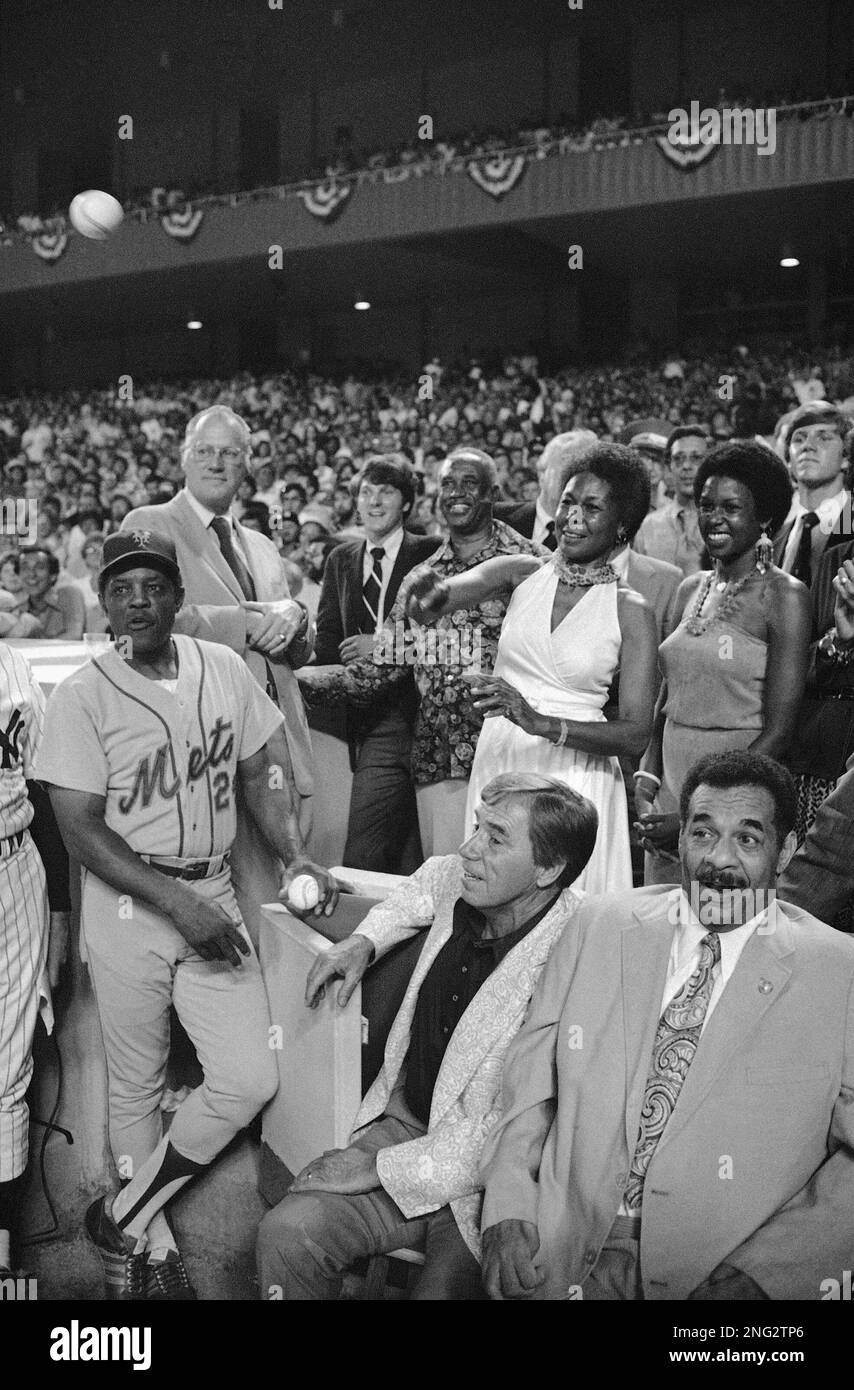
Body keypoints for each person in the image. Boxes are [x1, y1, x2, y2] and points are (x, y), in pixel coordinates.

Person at [35, 531, 338, 1301]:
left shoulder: (223, 667)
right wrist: (176, 905)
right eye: (122, 588)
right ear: (104, 602)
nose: (139, 600)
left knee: (247, 1077)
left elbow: (261, 766)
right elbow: (80, 829)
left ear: (177, 596)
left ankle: (126, 1214)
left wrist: (296, 851)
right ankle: (153, 1247)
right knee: (135, 1086)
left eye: (153, 585)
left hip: (211, 887)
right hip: (130, 904)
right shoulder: (80, 696)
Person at [481, 751, 854, 1301]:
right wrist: (508, 1208)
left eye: (748, 840)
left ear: (787, 852)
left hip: (717, 1277)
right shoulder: (598, 925)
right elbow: (529, 1084)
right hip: (558, 1254)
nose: (719, 860)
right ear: (679, 841)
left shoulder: (837, 971)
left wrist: (767, 1276)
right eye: (702, 833)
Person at [256, 773, 597, 1301]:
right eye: (477, 828)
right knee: (285, 1235)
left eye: (495, 837)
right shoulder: (458, 880)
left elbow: (524, 1123)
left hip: (490, 1182)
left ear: (548, 869)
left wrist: (375, 1166)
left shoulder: (577, 951)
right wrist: (363, 943)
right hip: (404, 1126)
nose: (468, 848)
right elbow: (414, 893)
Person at [408, 443, 658, 895]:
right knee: (492, 901)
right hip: (503, 758)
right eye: (567, 502)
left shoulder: (631, 610)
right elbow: (434, 603)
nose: (573, 517)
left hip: (576, 778)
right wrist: (423, 594)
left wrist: (539, 722)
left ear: (621, 526)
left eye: (591, 507)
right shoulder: (519, 572)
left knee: (568, 917)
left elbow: (636, 734)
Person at [121, 405, 314, 947]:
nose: (216, 461)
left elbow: (293, 648)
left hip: (282, 749)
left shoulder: (264, 546)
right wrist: (250, 622)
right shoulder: (149, 523)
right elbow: (150, 618)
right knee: (237, 922)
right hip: (209, 757)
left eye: (230, 452)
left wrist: (297, 618)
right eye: (204, 450)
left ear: (248, 464)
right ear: (183, 457)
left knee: (291, 914)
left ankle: (283, 1026)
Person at [301, 449, 542, 858]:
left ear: (493, 493)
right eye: (448, 484)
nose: (456, 493)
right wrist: (293, 682)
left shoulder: (531, 564)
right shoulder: (421, 577)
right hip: (439, 759)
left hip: (512, 754)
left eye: (469, 483)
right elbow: (379, 671)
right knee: (449, 888)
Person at [636, 441, 810, 883]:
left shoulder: (784, 596)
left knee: (721, 927)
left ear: (765, 516)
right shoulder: (687, 589)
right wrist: (647, 782)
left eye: (731, 507)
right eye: (707, 505)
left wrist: (702, 812)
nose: (714, 517)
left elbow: (780, 731)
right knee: (662, 931)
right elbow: (664, 700)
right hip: (669, 796)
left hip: (735, 803)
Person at [313, 456, 441, 872]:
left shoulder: (432, 553)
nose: (374, 500)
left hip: (410, 713)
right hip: (355, 715)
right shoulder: (340, 559)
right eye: (366, 491)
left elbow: (447, 636)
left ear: (406, 503)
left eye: (386, 491)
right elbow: (331, 640)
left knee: (371, 854)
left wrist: (382, 646)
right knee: (398, 852)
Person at [0, 644, 69, 1279]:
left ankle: (3, 1262)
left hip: (13, 866)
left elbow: (41, 789)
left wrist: (59, 912)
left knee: (6, 1081)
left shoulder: (14, 667)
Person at [774, 401, 854, 586]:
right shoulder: (774, 535)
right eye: (799, 439)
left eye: (823, 438)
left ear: (846, 457)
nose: (807, 446)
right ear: (788, 460)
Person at [494, 430, 597, 548]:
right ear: (541, 473)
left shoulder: (596, 538)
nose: (574, 482)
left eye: (585, 475)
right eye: (567, 470)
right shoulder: (497, 518)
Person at [633, 425, 709, 577]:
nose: (686, 466)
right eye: (678, 459)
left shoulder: (723, 523)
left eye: (696, 458)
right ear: (669, 467)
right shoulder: (647, 527)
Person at [6, 546, 85, 640]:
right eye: (25, 568)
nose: (31, 574)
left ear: (53, 575)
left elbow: (74, 636)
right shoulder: (18, 610)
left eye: (39, 568)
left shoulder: (69, 594)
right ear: (19, 575)